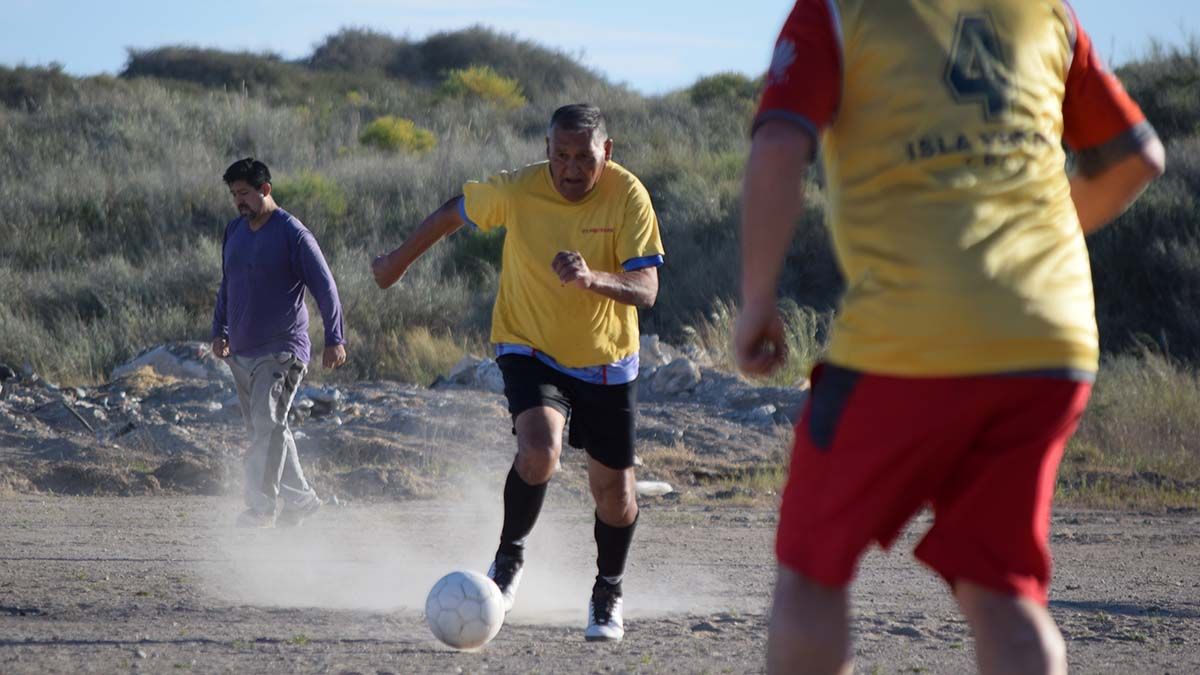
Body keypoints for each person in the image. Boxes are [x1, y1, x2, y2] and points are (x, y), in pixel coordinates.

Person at [736, 2, 1165, 673]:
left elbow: (779, 145)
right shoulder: (1045, 10)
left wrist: (756, 300)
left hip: (907, 338)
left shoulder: (836, 10)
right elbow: (1138, 157)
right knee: (1003, 590)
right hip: (1050, 341)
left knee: (812, 574)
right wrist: (1025, 257)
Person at [371, 103, 664, 641]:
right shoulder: (519, 188)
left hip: (605, 360)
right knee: (538, 450)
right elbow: (452, 212)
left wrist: (592, 278)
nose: (571, 169)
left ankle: (608, 590)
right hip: (528, 343)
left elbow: (647, 290)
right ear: (546, 150)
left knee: (616, 500)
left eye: (584, 157)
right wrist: (396, 262)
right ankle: (508, 558)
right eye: (560, 156)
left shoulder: (629, 196)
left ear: (608, 151)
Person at [212, 157, 348, 529]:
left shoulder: (293, 234)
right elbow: (228, 284)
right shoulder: (234, 232)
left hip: (282, 350)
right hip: (241, 351)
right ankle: (302, 500)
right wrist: (218, 330)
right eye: (234, 194)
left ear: (265, 190)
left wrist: (335, 338)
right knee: (266, 430)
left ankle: (260, 507)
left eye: (244, 193)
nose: (239, 201)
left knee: (268, 422)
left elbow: (325, 286)